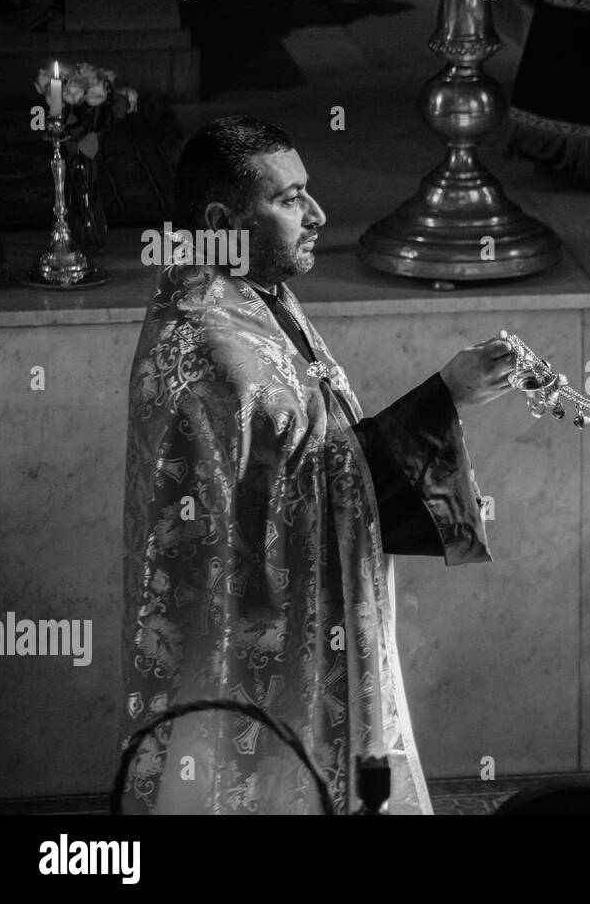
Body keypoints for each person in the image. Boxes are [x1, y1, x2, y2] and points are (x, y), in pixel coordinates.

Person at [120, 115, 515, 814]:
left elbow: (315, 456)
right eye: (290, 197)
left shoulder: (246, 293)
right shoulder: (215, 345)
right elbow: (302, 494)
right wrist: (444, 397)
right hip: (247, 654)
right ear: (222, 219)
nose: (318, 214)